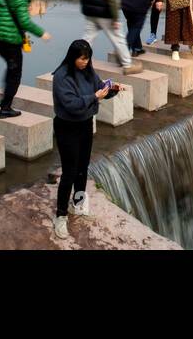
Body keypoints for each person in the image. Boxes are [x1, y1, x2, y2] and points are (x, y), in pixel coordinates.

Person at [51, 40, 120, 240]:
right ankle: (61, 215)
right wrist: (95, 97)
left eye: (88, 58)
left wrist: (111, 90)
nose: (85, 62)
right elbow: (71, 104)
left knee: (83, 168)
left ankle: (78, 204)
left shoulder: (89, 70)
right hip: (67, 127)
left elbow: (99, 88)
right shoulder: (62, 76)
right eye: (82, 58)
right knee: (69, 171)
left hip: (85, 125)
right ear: (73, 57)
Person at [0, 0, 52, 119]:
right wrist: (42, 33)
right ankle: (6, 108)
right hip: (10, 42)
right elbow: (24, 21)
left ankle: (5, 98)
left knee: (11, 68)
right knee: (15, 74)